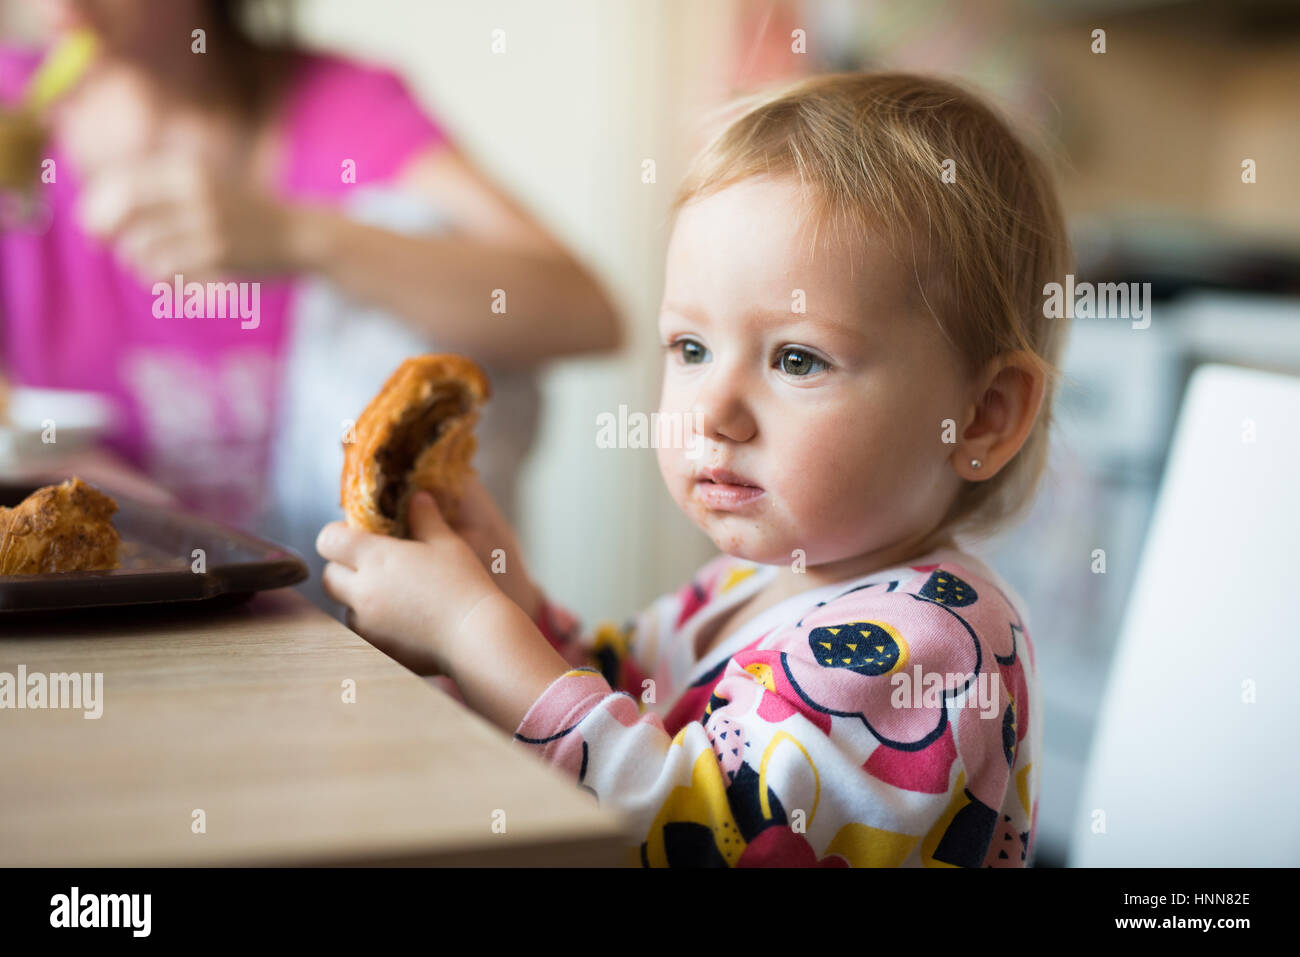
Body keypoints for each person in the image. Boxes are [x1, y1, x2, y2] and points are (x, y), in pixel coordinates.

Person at [315, 72, 1068, 867]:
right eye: (692, 348)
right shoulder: (751, 583)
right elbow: (624, 699)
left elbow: (695, 830)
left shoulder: (930, 643)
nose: (714, 412)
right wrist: (514, 600)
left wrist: (472, 630)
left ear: (983, 415)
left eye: (797, 358)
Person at [0, 0, 619, 529]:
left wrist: (296, 234)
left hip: (338, 631)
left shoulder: (339, 107)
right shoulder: (14, 120)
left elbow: (585, 310)